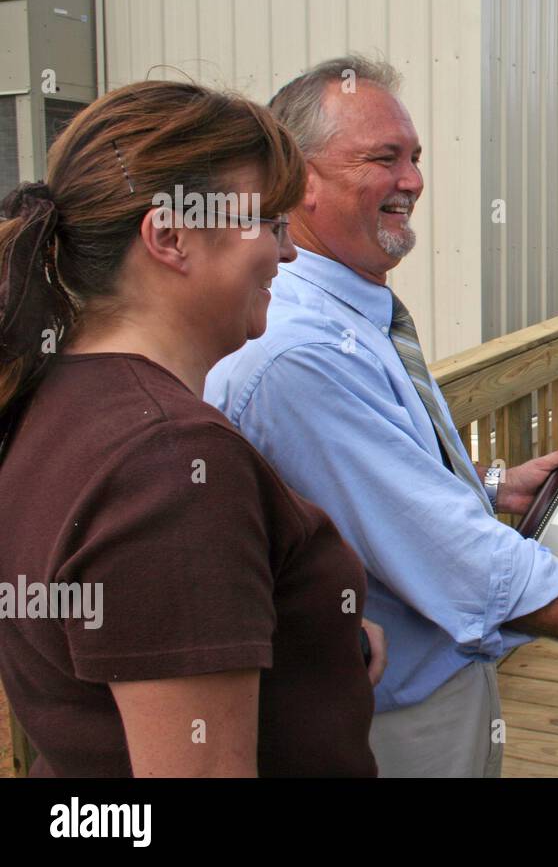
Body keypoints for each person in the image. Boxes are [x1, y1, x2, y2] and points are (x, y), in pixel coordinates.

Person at [205, 56, 558, 778]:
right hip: (388, 719)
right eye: (383, 159)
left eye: (414, 158)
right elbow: (457, 558)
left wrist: (491, 487)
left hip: (440, 677)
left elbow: (377, 490)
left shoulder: (348, 314)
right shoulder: (297, 355)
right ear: (299, 180)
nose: (413, 181)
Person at [0, 80, 382, 776]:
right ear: (171, 236)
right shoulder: (171, 465)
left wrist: (324, 637)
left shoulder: (52, 396)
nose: (288, 252)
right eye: (267, 224)